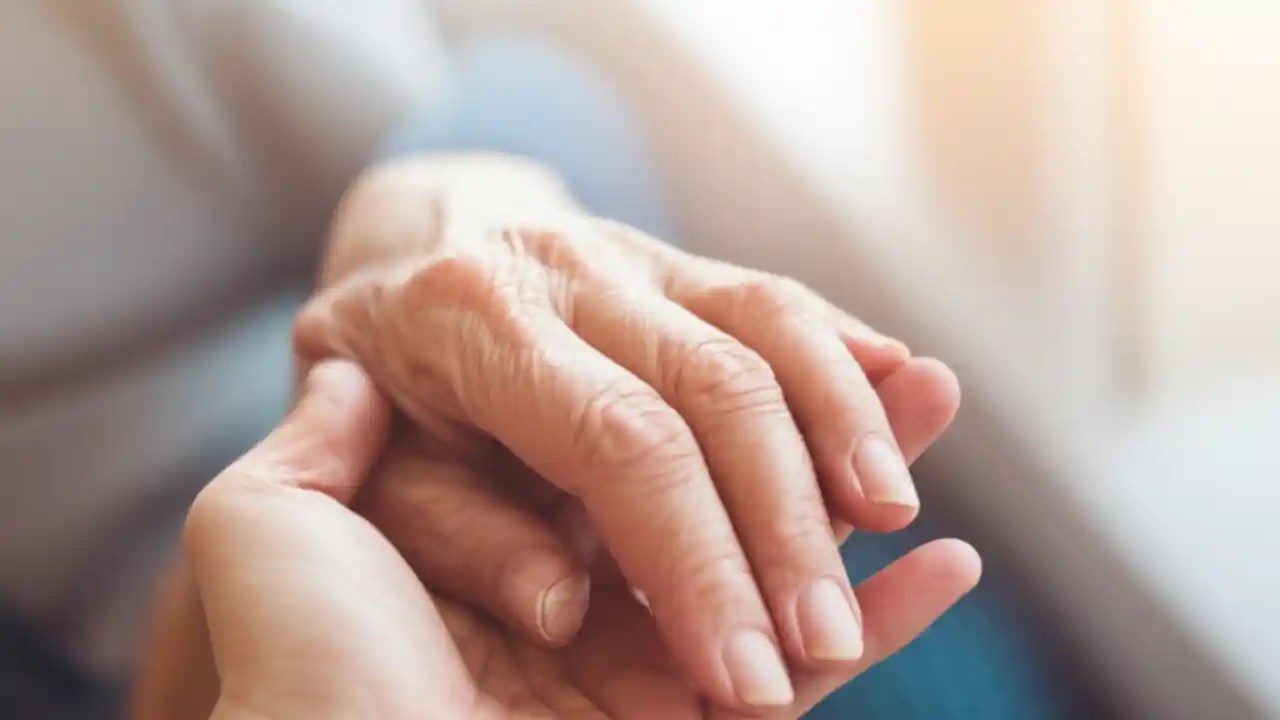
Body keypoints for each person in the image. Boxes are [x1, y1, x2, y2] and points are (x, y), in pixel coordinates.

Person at [1, 2, 1063, 717]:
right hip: (273, 609)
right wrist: (245, 653)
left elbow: (500, 84)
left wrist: (449, 210)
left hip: (466, 473)